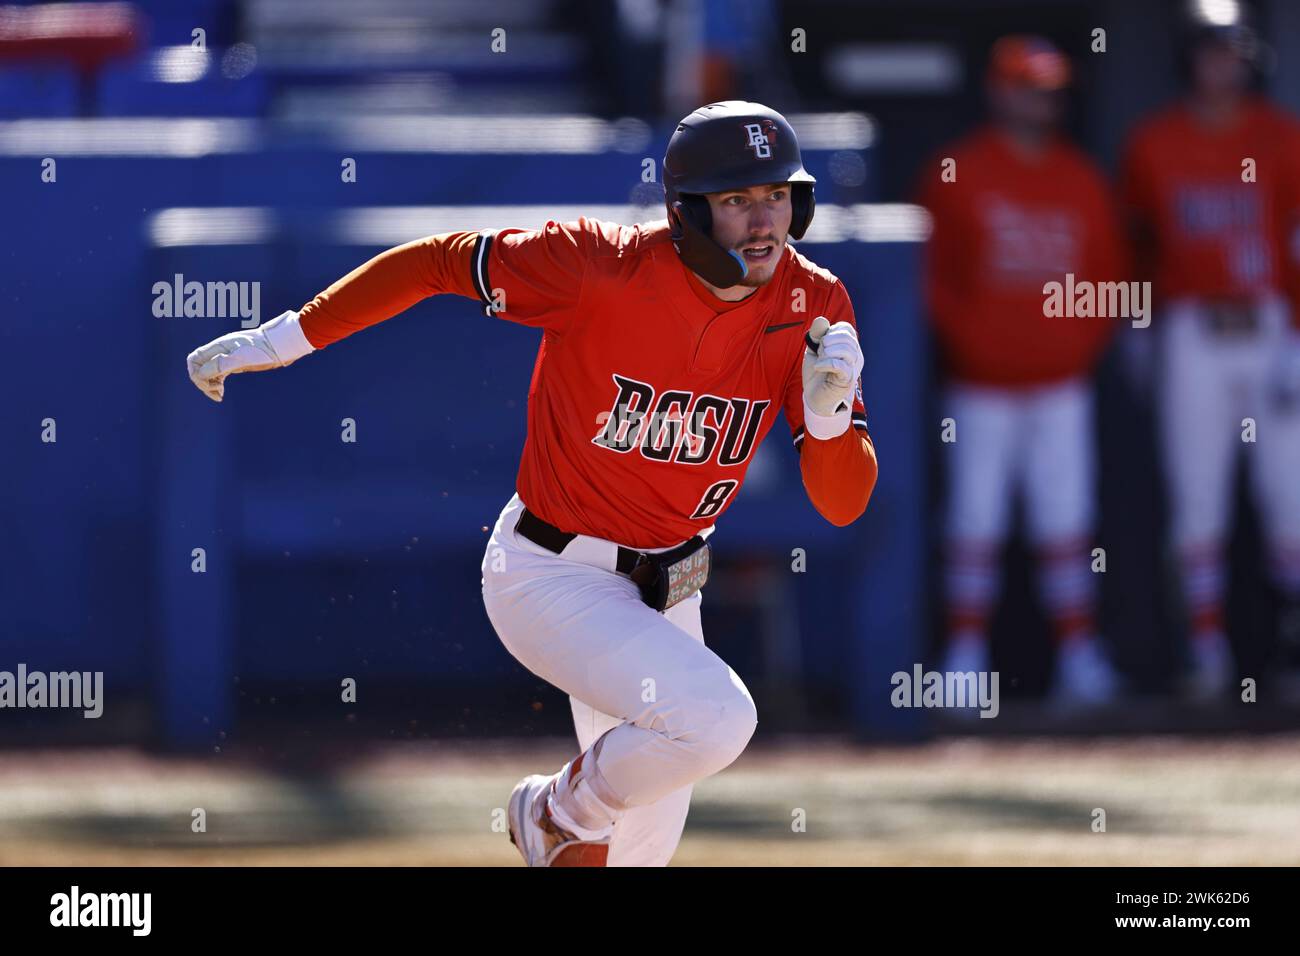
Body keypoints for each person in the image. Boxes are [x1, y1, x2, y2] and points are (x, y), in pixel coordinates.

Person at [184, 101, 878, 866]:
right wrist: (286, 340)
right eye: (736, 198)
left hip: (670, 586)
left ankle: (568, 825)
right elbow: (435, 261)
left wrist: (828, 417)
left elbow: (841, 505)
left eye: (777, 194)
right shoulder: (597, 266)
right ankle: (553, 812)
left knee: (639, 850)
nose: (763, 219)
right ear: (686, 210)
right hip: (551, 572)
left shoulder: (815, 305)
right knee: (714, 720)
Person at [917, 36, 1126, 707]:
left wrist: (1070, 347)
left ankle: (1080, 659)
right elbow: (929, 281)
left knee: (1066, 520)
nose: (1042, 101)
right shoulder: (959, 170)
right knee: (974, 520)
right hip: (979, 387)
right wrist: (975, 343)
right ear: (999, 89)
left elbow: (1109, 282)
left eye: (1052, 89)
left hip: (1060, 385)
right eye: (1030, 87)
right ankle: (962, 661)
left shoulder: (1081, 177)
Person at [1120, 17, 1300, 700]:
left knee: (1290, 497)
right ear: (1188, 60)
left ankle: (1289, 651)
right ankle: (1206, 652)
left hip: (1269, 326)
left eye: (1232, 56)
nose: (1221, 68)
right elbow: (1133, 244)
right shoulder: (1155, 142)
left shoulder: (1281, 135)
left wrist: (1299, 335)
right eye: (1209, 55)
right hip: (1192, 326)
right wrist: (1138, 325)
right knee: (1198, 501)